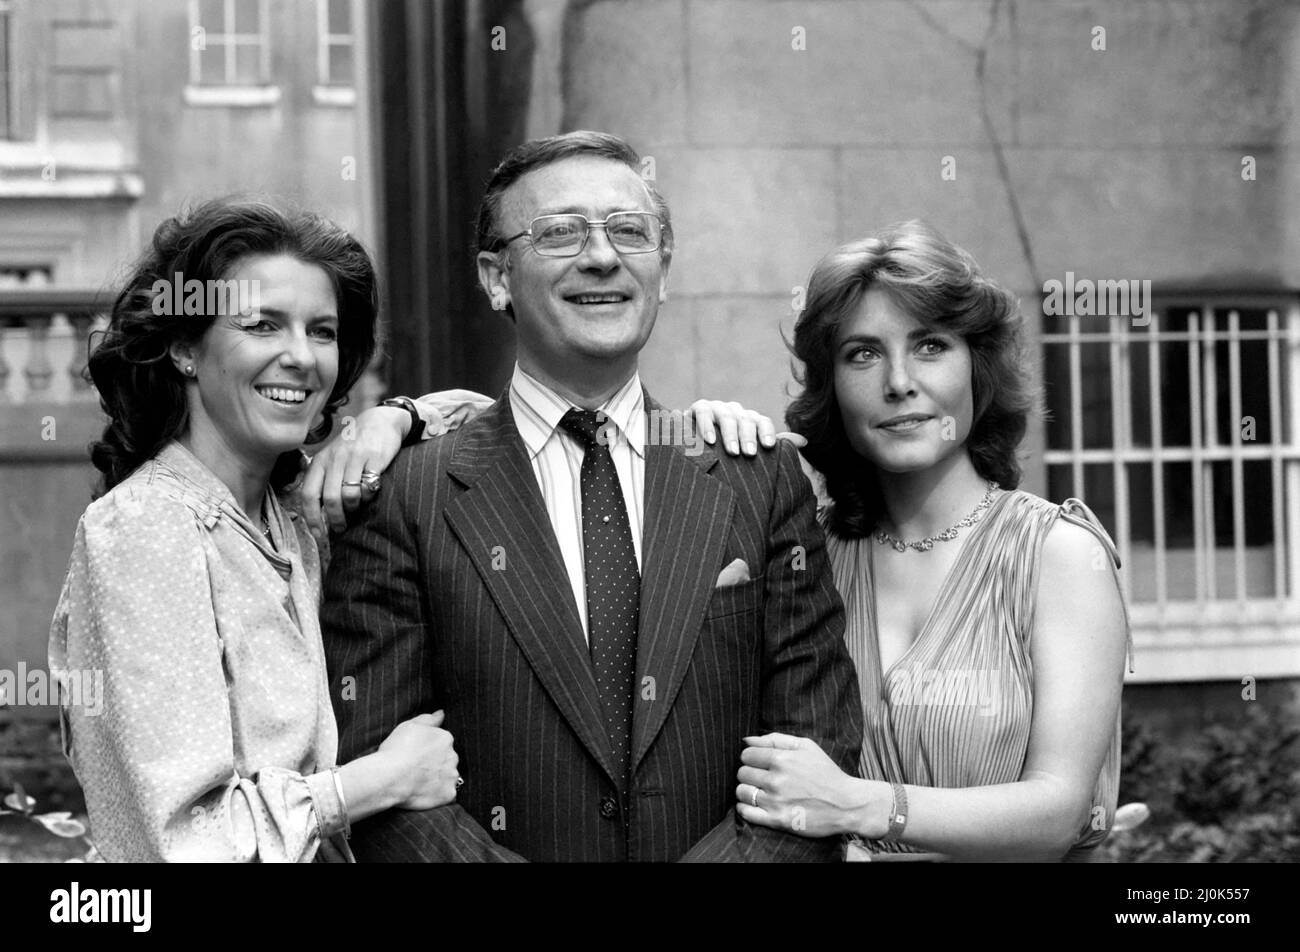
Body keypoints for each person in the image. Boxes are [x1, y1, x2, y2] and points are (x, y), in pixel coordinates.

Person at [319, 131, 863, 862]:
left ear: (663, 270)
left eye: (629, 232)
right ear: (496, 278)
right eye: (561, 232)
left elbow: (813, 752)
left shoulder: (756, 478)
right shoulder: (405, 496)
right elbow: (384, 786)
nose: (602, 256)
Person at [48, 199, 461, 862]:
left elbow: (500, 422)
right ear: (184, 346)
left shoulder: (293, 513)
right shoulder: (146, 530)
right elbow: (184, 843)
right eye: (263, 325)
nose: (300, 356)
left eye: (321, 332)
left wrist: (396, 419)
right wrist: (379, 782)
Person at [726, 221, 1131, 861]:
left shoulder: (1057, 555)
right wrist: (695, 451)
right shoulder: (808, 555)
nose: (898, 382)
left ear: (979, 367)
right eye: (862, 353)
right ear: (831, 386)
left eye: (931, 345)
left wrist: (860, 804)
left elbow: (1059, 807)